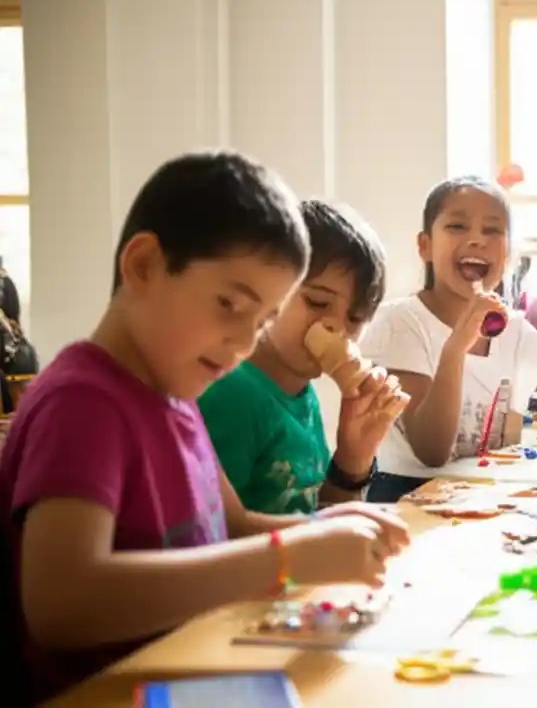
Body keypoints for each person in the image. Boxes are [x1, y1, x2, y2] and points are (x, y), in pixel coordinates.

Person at [0, 151, 409, 704]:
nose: (245, 342)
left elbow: (232, 524)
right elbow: (61, 605)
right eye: (230, 305)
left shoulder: (176, 392)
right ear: (143, 265)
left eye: (262, 320)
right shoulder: (83, 402)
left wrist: (325, 525)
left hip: (197, 669)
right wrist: (284, 560)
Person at [359, 176, 537, 501]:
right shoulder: (400, 323)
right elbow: (432, 451)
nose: (477, 240)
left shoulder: (513, 328)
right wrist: (456, 347)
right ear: (424, 246)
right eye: (457, 226)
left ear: (508, 254)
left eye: (493, 230)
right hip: (408, 496)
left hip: (486, 497)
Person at [199, 199, 403, 514]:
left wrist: (353, 458)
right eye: (318, 302)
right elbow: (210, 540)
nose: (338, 325)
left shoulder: (301, 393)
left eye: (356, 316)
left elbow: (318, 523)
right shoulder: (232, 393)